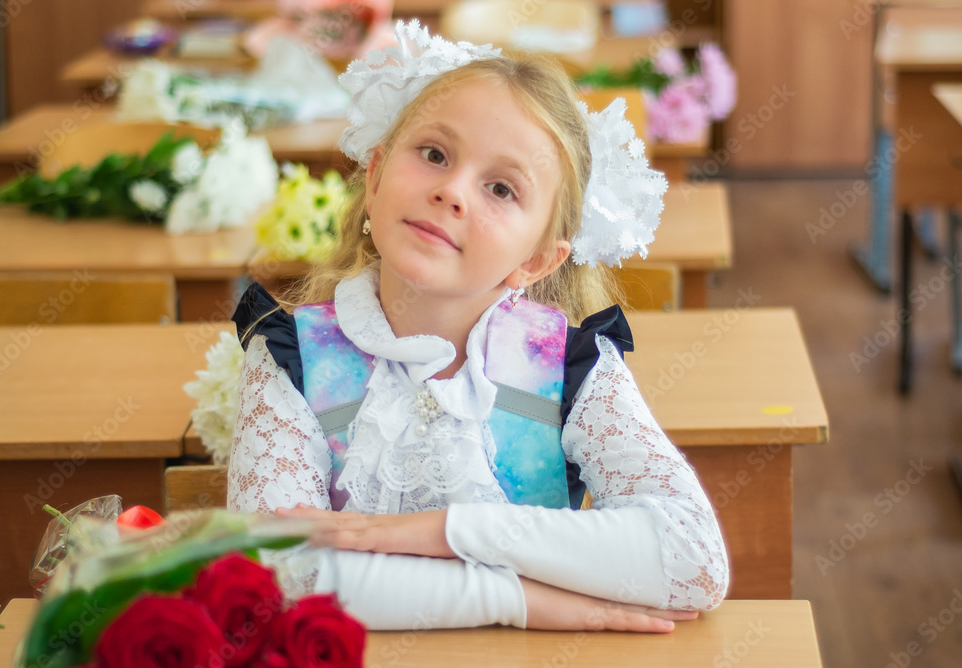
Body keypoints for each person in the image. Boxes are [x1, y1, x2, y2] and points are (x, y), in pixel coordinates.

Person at [228, 20, 729, 633]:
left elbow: (693, 559)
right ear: (378, 172)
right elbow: (267, 576)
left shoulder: (569, 369)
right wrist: (517, 600)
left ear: (537, 260)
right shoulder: (293, 359)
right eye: (434, 154)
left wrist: (444, 533)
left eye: (501, 188)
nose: (452, 192)